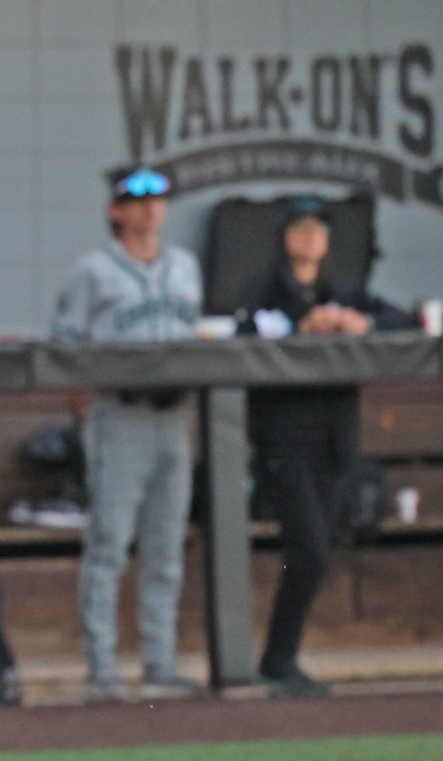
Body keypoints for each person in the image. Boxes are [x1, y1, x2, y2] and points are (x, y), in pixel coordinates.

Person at [235, 196, 412, 698]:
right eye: (302, 228)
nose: (311, 238)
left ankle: (279, 656)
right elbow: (245, 332)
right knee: (309, 547)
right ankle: (278, 657)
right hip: (284, 438)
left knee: (317, 546)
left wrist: (361, 325)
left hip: (335, 437)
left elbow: (403, 321)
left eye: (320, 229)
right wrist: (300, 328)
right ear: (286, 235)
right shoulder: (265, 287)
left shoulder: (343, 289)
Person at [51, 166, 204, 703]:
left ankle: (159, 663)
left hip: (172, 418)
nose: (149, 207)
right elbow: (64, 351)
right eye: (136, 198)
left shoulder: (184, 266)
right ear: (116, 209)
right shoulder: (92, 270)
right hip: (119, 415)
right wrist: (86, 420)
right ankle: (103, 669)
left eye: (158, 197)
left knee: (166, 547)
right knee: (110, 544)